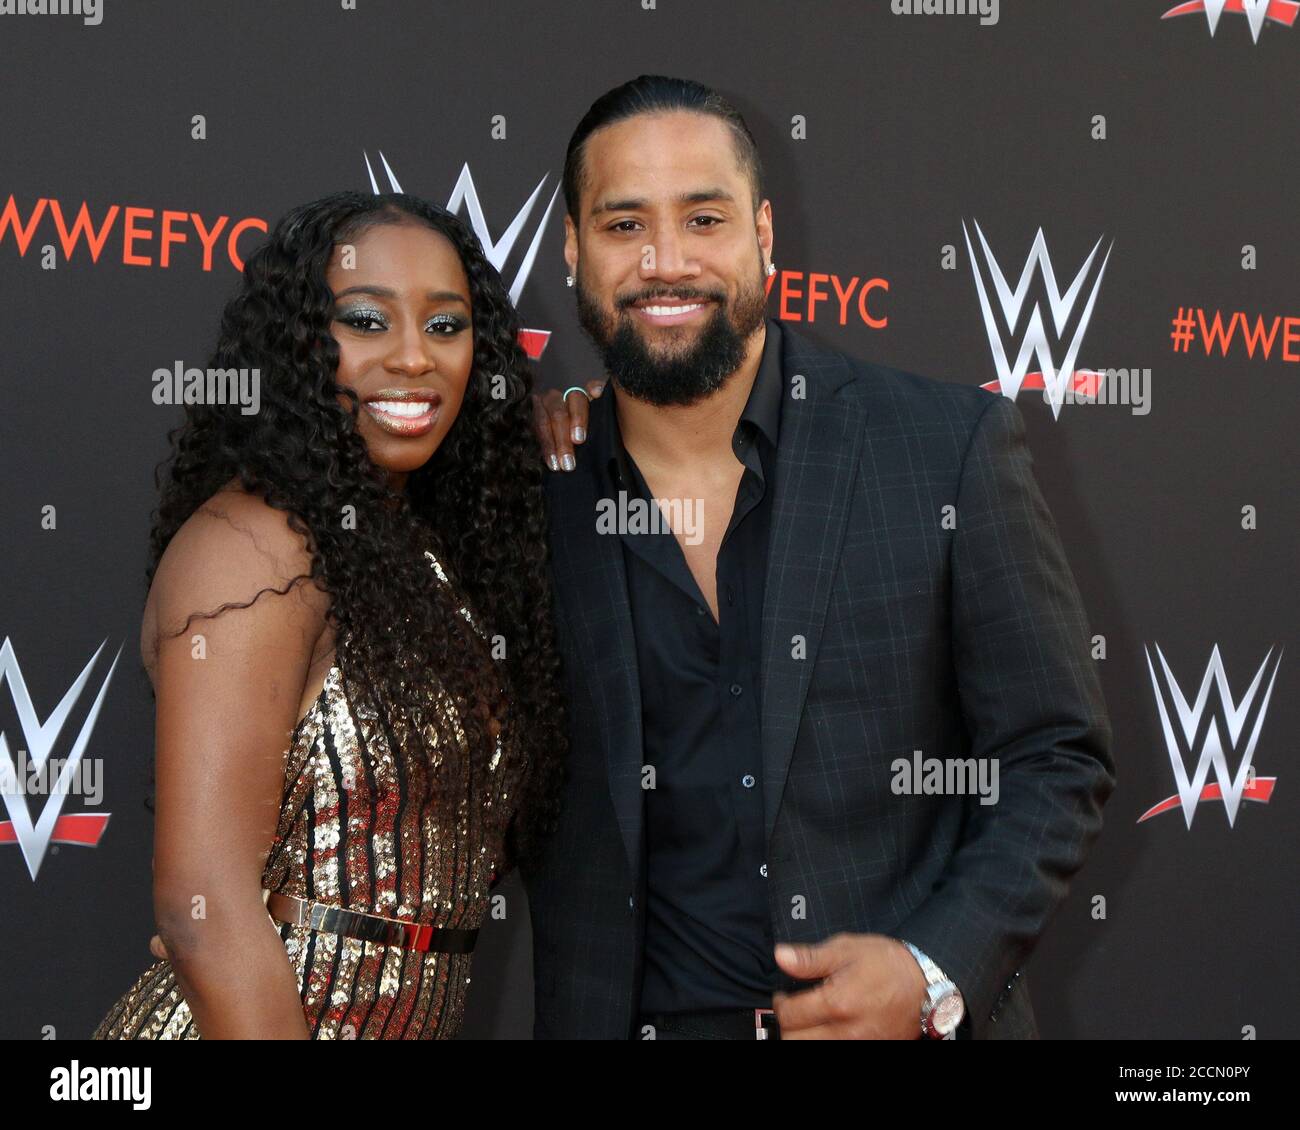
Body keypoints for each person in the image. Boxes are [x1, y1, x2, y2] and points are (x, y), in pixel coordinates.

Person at [525, 74, 1115, 1040]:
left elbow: (1056, 756)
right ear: (572, 248)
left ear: (763, 234)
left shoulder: (941, 447)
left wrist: (930, 971)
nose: (665, 262)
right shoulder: (528, 492)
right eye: (624, 225)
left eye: (704, 219)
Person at [92, 191, 566, 1039]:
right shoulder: (253, 546)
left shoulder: (411, 553)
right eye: (366, 320)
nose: (414, 357)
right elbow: (203, 910)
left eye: (446, 326)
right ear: (300, 344)